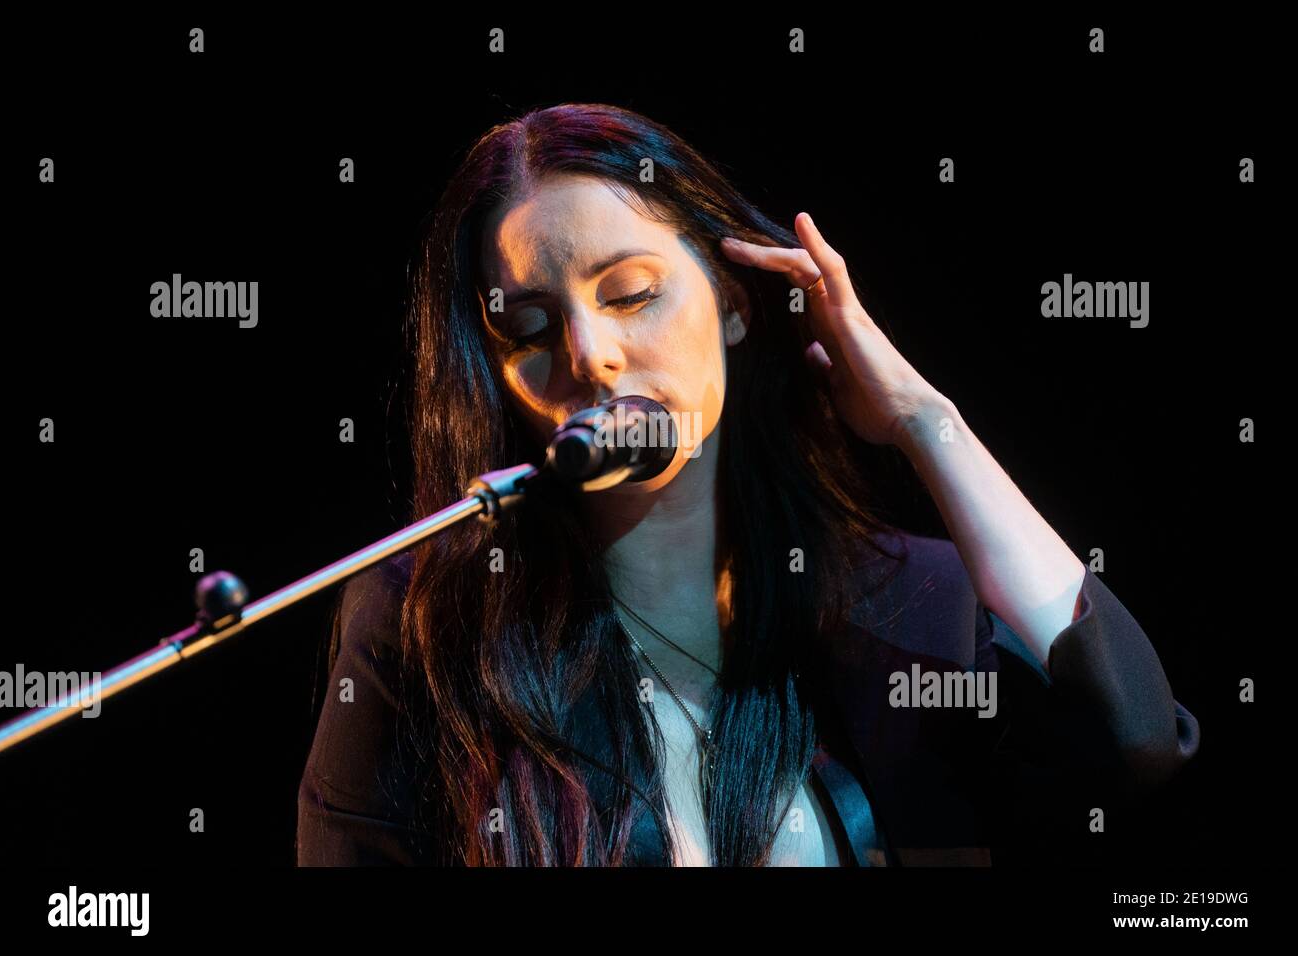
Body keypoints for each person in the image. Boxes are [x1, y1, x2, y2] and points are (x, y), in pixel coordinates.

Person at [296, 102, 1199, 867]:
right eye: (530, 329)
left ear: (732, 302)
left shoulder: (916, 606)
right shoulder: (431, 625)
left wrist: (927, 421)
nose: (590, 355)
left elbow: (1132, 744)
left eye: (631, 292)